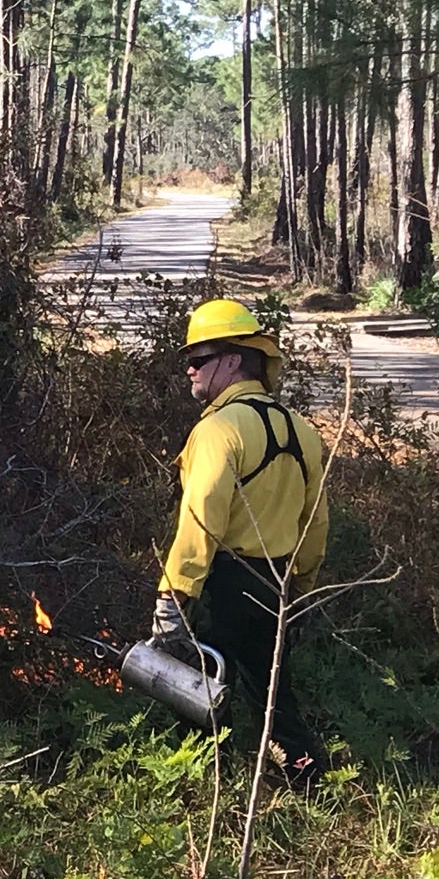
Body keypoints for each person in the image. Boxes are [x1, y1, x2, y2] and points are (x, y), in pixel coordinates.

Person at [152, 298, 330, 784]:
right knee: (271, 694)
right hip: (275, 582)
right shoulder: (303, 431)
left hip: (224, 583)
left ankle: (208, 785)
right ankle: (304, 779)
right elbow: (315, 522)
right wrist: (303, 585)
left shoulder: (218, 430)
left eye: (198, 358)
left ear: (232, 360)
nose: (188, 370)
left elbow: (200, 519)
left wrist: (174, 595)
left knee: (199, 691)